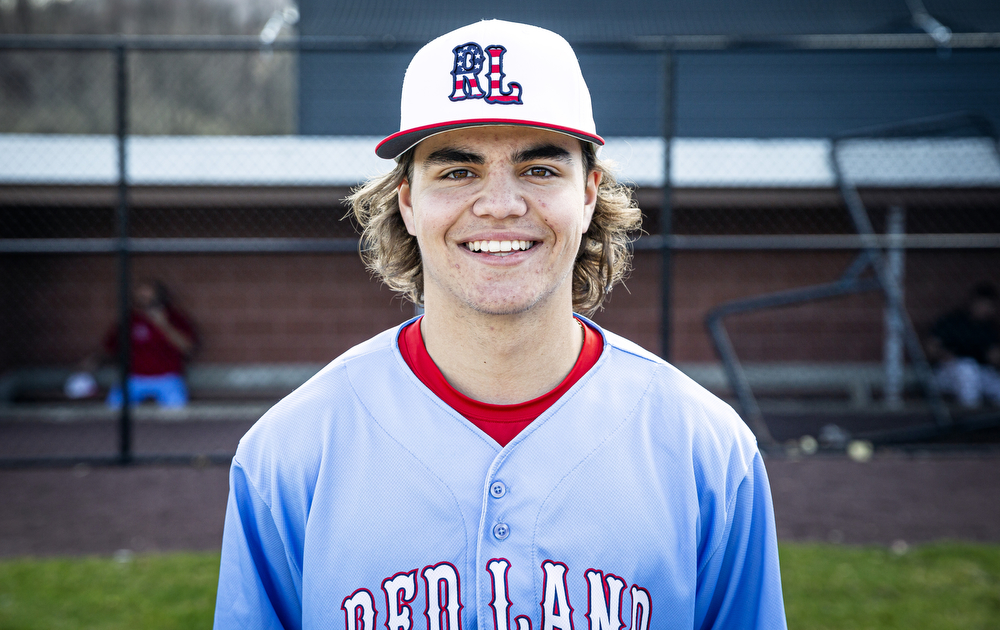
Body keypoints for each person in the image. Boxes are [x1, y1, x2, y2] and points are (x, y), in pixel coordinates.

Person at [214, 20, 786, 629]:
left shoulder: (708, 450)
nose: (500, 204)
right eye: (457, 171)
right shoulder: (291, 453)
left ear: (589, 193)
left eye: (539, 169)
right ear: (407, 200)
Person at [88, 279, 197, 407]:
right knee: (115, 406)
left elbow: (187, 348)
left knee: (177, 409)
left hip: (167, 377)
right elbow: (110, 347)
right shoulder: (130, 320)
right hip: (134, 378)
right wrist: (91, 362)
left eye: (148, 296)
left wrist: (163, 324)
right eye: (141, 296)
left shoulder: (174, 317)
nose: (144, 299)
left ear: (159, 296)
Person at [927, 282, 1000, 409]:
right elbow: (931, 347)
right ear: (973, 302)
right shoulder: (953, 321)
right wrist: (944, 355)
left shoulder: (989, 328)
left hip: (979, 372)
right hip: (948, 371)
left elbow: (994, 356)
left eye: (990, 306)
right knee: (967, 369)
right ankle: (969, 415)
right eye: (983, 304)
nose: (986, 309)